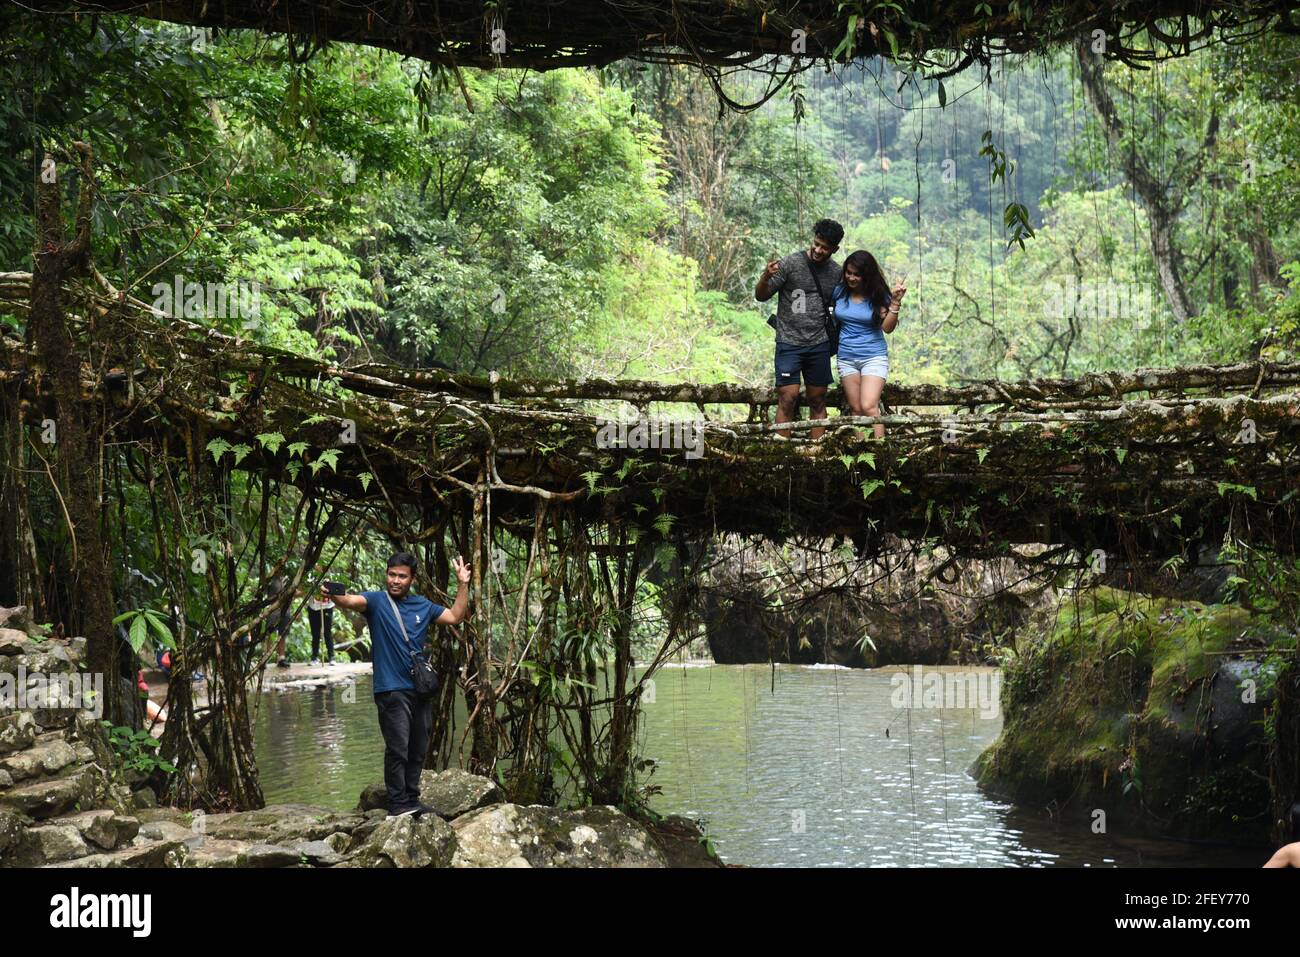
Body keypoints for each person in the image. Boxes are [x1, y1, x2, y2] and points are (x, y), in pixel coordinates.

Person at [327, 551, 471, 817]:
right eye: (391, 574)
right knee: (398, 747)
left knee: (417, 748)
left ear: (412, 579)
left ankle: (411, 799)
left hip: (419, 689)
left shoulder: (422, 605)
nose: (395, 580)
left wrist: (463, 583)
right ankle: (397, 804)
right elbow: (348, 600)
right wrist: (332, 592)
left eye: (401, 576)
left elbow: (455, 616)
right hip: (391, 689)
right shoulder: (376, 601)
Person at [755, 218, 844, 440]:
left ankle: (817, 451)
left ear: (835, 249)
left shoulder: (836, 273)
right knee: (787, 397)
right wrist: (766, 275)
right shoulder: (791, 263)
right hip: (789, 342)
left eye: (824, 247)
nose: (818, 250)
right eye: (816, 244)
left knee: (817, 399)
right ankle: (781, 451)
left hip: (818, 343)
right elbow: (761, 295)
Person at [830, 250, 907, 440]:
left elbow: (887, 328)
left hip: (873, 357)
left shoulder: (879, 296)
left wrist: (895, 303)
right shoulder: (840, 291)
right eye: (848, 273)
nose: (851, 278)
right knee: (856, 409)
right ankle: (861, 450)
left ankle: (879, 452)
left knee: (869, 406)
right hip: (846, 357)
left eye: (857, 274)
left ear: (867, 275)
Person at [307, 586, 335, 666]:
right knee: (315, 633)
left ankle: (331, 657)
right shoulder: (310, 577)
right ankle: (314, 657)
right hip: (313, 608)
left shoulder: (329, 577)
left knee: (327, 632)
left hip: (327, 607)